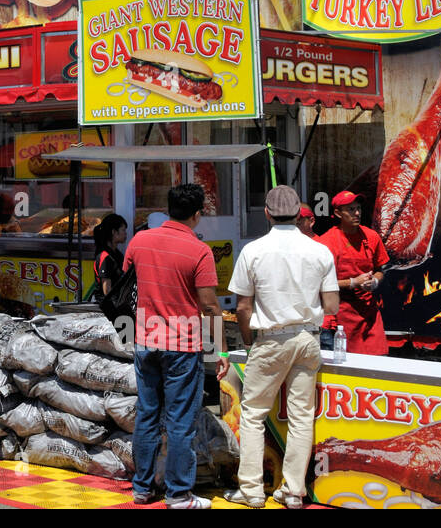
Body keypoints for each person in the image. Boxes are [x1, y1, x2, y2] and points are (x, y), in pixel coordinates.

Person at [225, 185, 339, 510]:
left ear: (267, 213)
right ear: (302, 214)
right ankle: (293, 491)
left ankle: (251, 491)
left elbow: (243, 307)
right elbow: (331, 305)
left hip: (271, 339)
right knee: (302, 417)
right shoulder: (319, 251)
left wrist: (249, 341)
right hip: (307, 339)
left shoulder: (254, 250)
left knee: (253, 414)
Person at [123, 183, 227, 509]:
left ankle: (141, 488)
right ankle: (179, 494)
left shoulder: (140, 240)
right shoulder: (199, 251)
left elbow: (129, 281)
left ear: (168, 209)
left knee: (147, 415)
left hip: (144, 341)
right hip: (182, 345)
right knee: (181, 422)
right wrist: (221, 351)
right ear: (197, 215)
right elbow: (210, 307)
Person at [317, 190, 390, 357]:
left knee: (379, 359)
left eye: (358, 208)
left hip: (369, 313)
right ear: (337, 213)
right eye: (350, 209)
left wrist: (375, 282)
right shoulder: (326, 242)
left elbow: (380, 270)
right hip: (342, 314)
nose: (357, 213)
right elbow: (320, 284)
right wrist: (352, 283)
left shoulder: (371, 236)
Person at [91, 213, 128, 299]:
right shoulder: (105, 256)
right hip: (106, 307)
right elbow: (107, 291)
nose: (125, 234)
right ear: (114, 232)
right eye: (123, 230)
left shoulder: (117, 254)